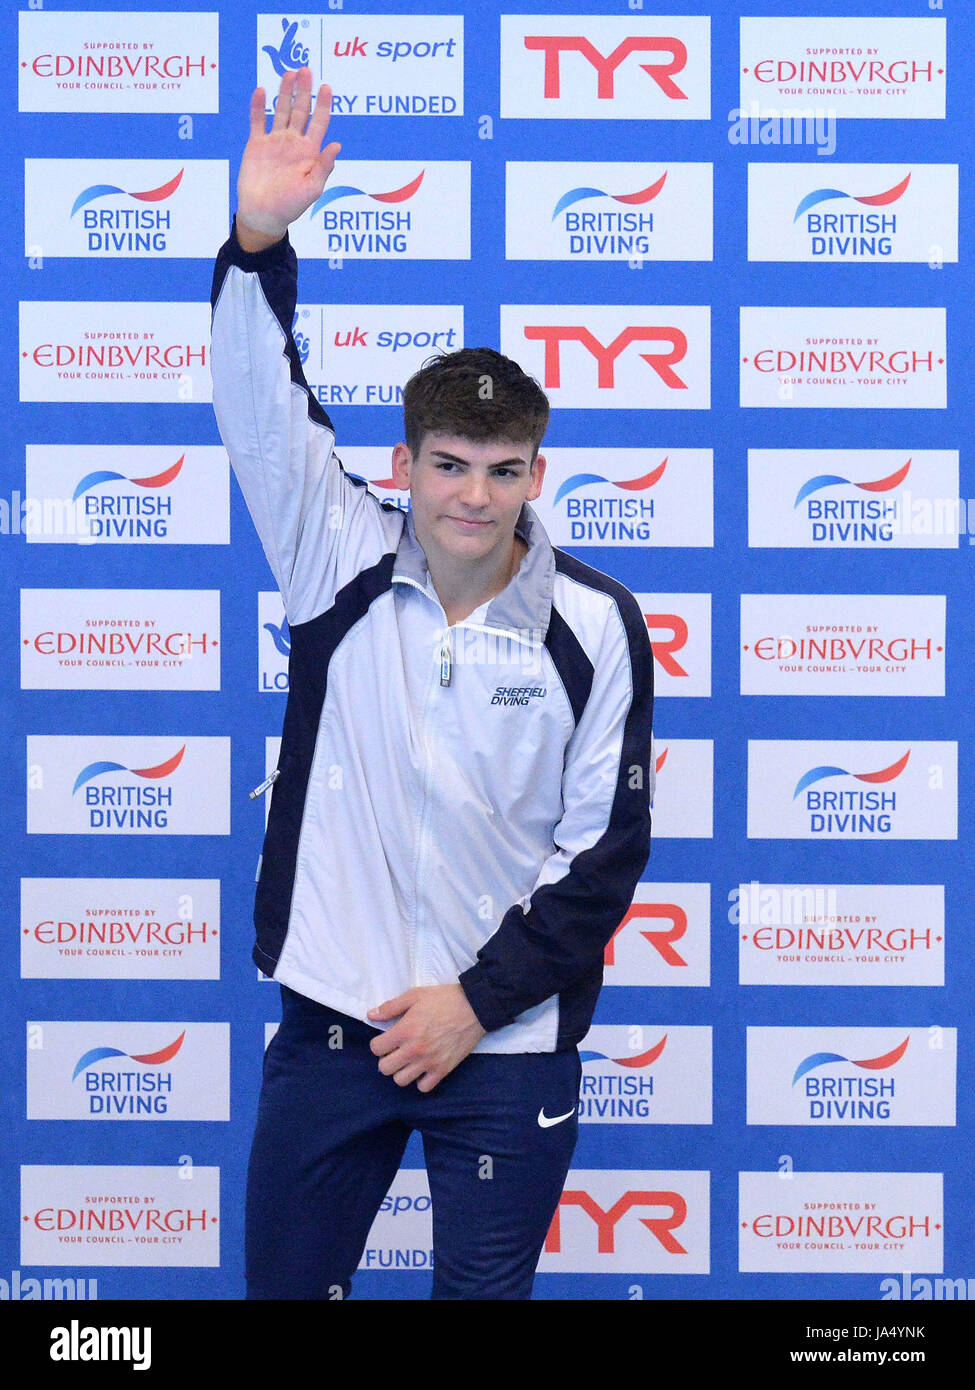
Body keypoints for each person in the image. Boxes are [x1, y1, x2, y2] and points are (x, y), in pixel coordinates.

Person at [210, 66, 655, 1300]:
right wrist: (257, 242)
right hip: (335, 1027)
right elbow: (257, 404)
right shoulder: (332, 551)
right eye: (448, 464)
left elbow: (602, 858)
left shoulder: (598, 625)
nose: (473, 495)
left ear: (535, 472)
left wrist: (472, 1003)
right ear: (401, 461)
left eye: (503, 470)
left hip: (504, 1042)